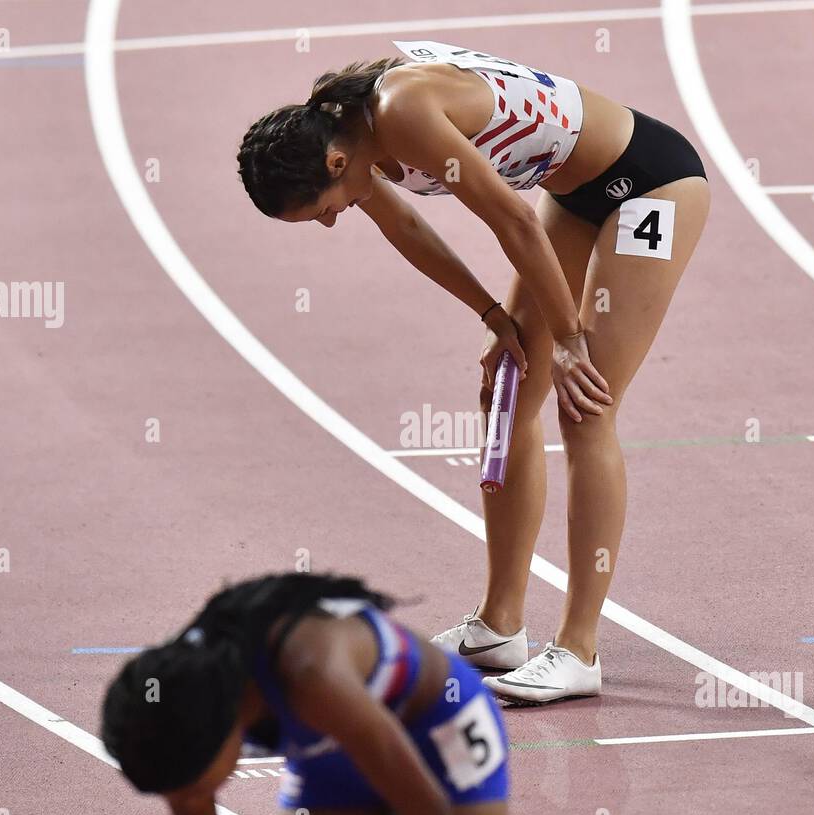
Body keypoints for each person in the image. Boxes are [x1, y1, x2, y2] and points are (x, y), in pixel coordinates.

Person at [236, 41, 710, 703]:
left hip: (651, 184)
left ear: (335, 164)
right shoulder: (346, 137)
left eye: (323, 209)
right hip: (574, 199)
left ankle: (579, 649)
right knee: (509, 397)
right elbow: (405, 228)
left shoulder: (399, 111)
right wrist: (493, 315)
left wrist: (569, 339)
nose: (328, 221)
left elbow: (511, 216)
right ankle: (500, 626)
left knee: (587, 404)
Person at [101, 572, 509, 815]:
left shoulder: (310, 673)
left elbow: (423, 809)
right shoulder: (173, 733)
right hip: (332, 752)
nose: (186, 801)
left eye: (191, 790)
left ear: (224, 731)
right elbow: (196, 813)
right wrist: (189, 800)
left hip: (439, 727)